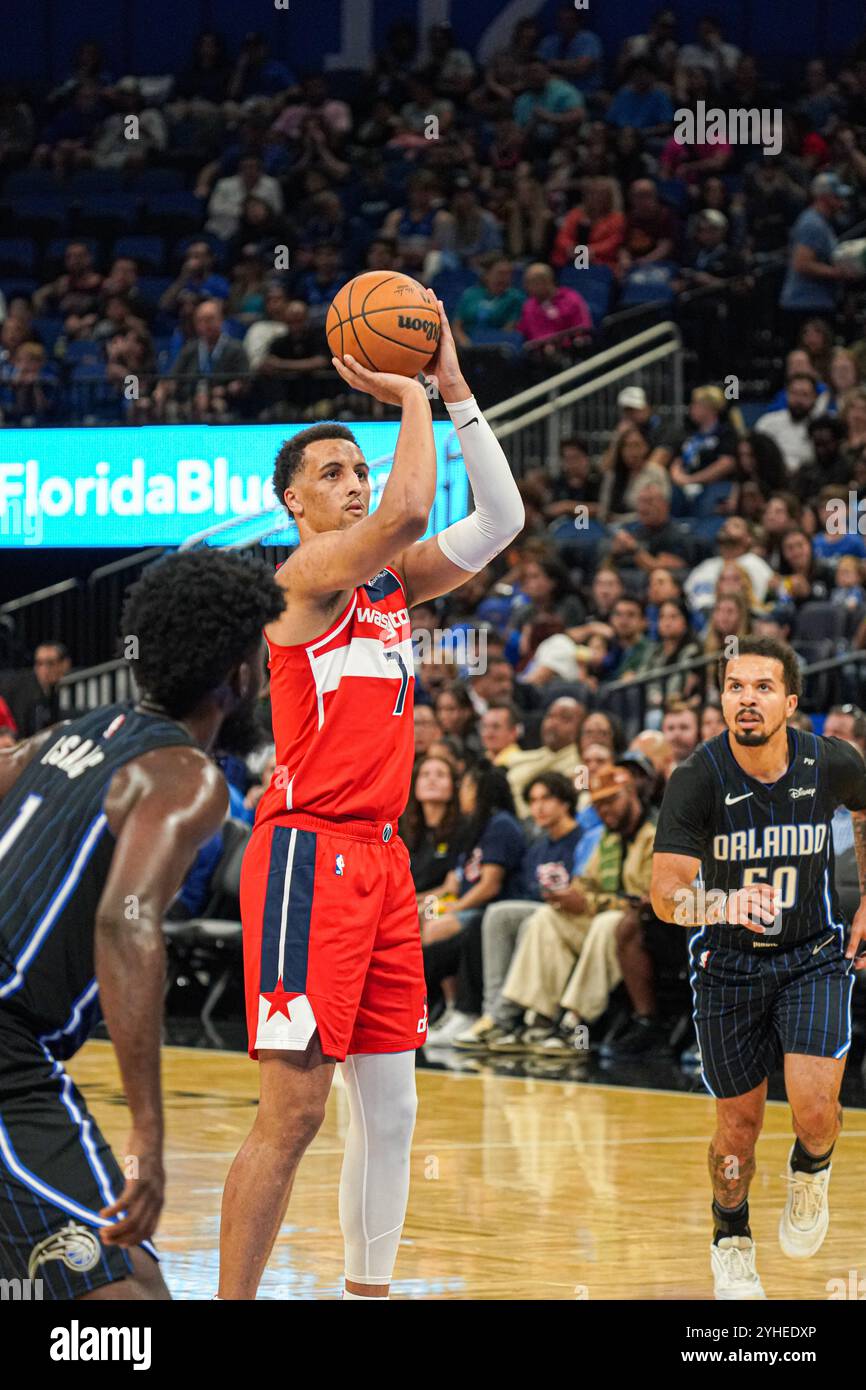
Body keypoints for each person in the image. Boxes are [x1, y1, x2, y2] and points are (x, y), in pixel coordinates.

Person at [218, 295, 524, 1300]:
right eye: (332, 474)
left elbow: (503, 521)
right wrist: (408, 394)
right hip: (307, 858)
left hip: (383, 863)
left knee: (391, 1111)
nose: (355, 484)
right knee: (294, 1114)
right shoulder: (304, 577)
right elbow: (405, 513)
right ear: (294, 504)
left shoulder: (392, 586)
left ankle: (368, 1294)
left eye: (359, 467)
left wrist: (456, 389)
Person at [0, 550, 284, 1300]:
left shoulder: (68, 733)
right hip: (9, 1053)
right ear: (239, 676)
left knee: (130, 1278)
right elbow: (125, 925)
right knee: (129, 1300)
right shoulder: (188, 778)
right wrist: (149, 1135)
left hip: (22, 1046)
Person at [651, 635, 866, 1299]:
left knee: (816, 1110)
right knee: (738, 1131)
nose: (747, 699)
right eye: (735, 687)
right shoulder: (697, 778)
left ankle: (811, 1170)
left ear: (790, 702)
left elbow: (864, 810)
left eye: (763, 687)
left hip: (812, 956)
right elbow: (665, 895)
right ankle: (731, 1237)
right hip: (727, 966)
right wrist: (722, 902)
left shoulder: (830, 761)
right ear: (722, 700)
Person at [452, 771, 582, 1049]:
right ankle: (492, 1013)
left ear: (566, 802)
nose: (539, 807)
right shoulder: (538, 847)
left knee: (531, 922)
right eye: (533, 801)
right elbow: (524, 889)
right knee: (497, 914)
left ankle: (508, 1016)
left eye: (546, 799)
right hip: (539, 909)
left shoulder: (581, 839)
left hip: (568, 915)